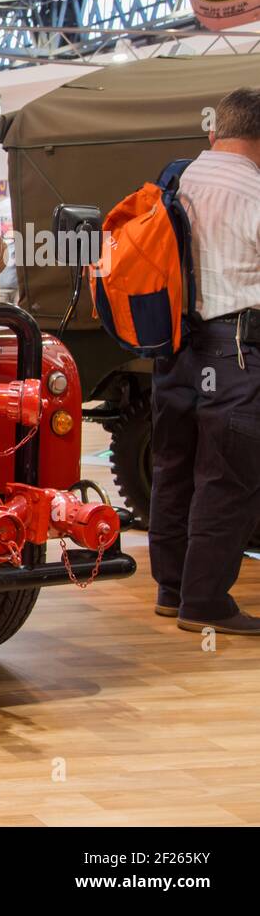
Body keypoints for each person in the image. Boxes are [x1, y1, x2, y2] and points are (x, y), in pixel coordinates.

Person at [149, 87, 260, 635]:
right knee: (226, 476)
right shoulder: (255, 193)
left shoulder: (177, 179)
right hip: (234, 347)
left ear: (218, 129)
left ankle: (172, 591)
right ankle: (206, 604)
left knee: (174, 466)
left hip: (173, 346)